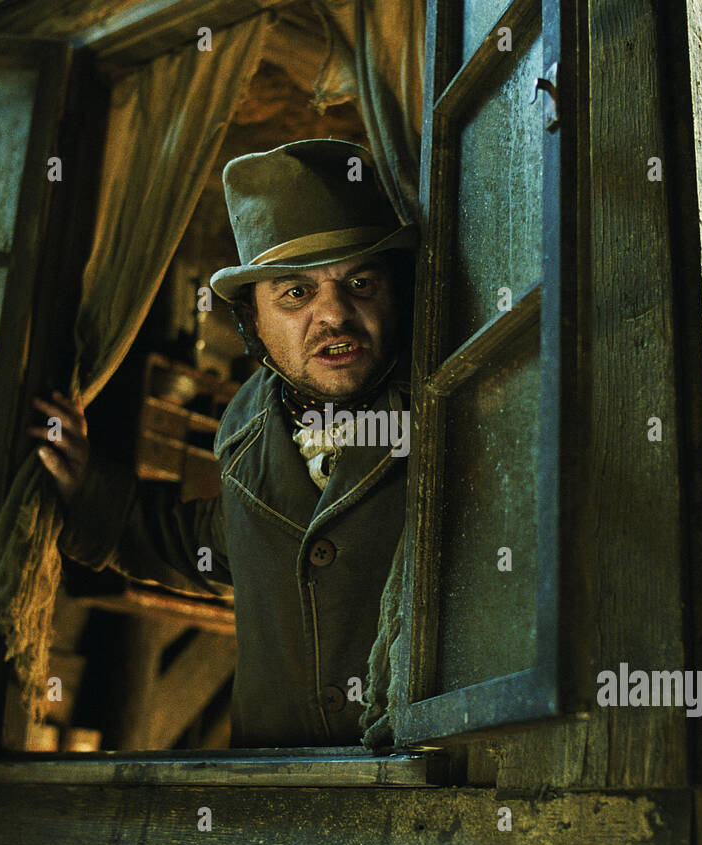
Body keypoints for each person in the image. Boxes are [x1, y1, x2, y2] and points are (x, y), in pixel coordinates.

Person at [30, 140, 418, 747]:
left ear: (396, 294)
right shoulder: (252, 433)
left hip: (425, 781)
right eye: (296, 294)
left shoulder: (452, 409)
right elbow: (215, 545)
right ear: (252, 322)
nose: (335, 315)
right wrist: (88, 489)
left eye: (360, 282)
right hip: (274, 786)